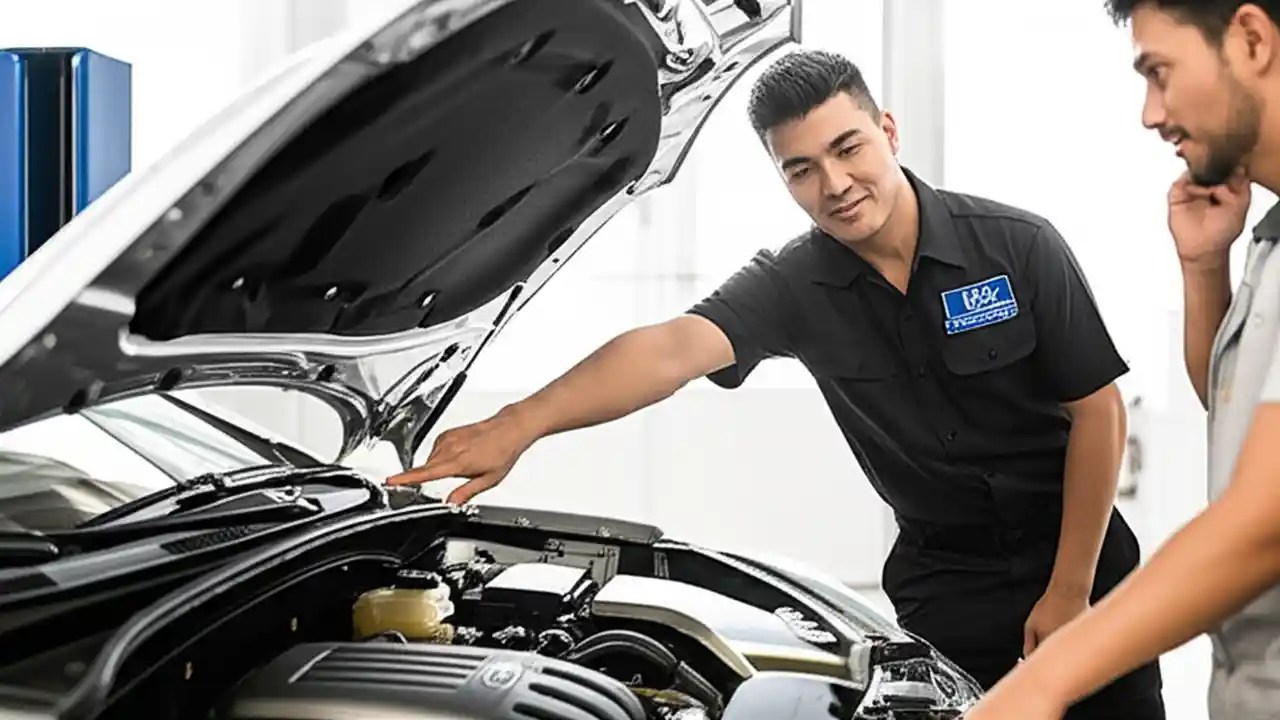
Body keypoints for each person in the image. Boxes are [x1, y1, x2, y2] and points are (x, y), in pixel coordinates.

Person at [388, 49, 1165, 718]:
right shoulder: (793, 285)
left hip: (1083, 558)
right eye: (802, 168)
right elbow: (666, 350)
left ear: (888, 132)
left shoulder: (1016, 245)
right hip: (944, 588)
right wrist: (523, 421)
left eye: (849, 147)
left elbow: (1096, 410)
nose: (835, 183)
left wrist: (1069, 592)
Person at [963, 2, 1280, 719]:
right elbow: (1229, 400)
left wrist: (1039, 688)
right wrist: (1205, 267)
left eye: (1159, 73)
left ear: (1252, 39)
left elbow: (1265, 517)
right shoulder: (1269, 239)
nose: (1150, 112)